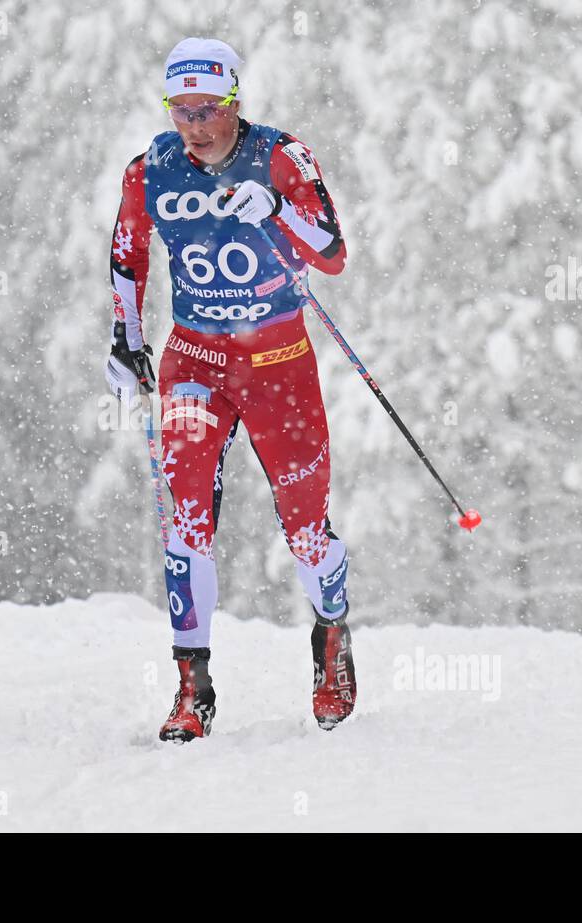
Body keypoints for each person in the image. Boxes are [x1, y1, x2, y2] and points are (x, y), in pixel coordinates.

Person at [104, 37, 356, 743]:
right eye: (180, 110)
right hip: (194, 361)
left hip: (280, 362)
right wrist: (127, 337)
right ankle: (193, 686)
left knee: (307, 531)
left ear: (234, 100)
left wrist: (276, 206)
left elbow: (332, 255)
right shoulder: (151, 167)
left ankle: (331, 636)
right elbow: (128, 249)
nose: (195, 125)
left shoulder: (281, 156)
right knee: (185, 519)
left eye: (208, 108)